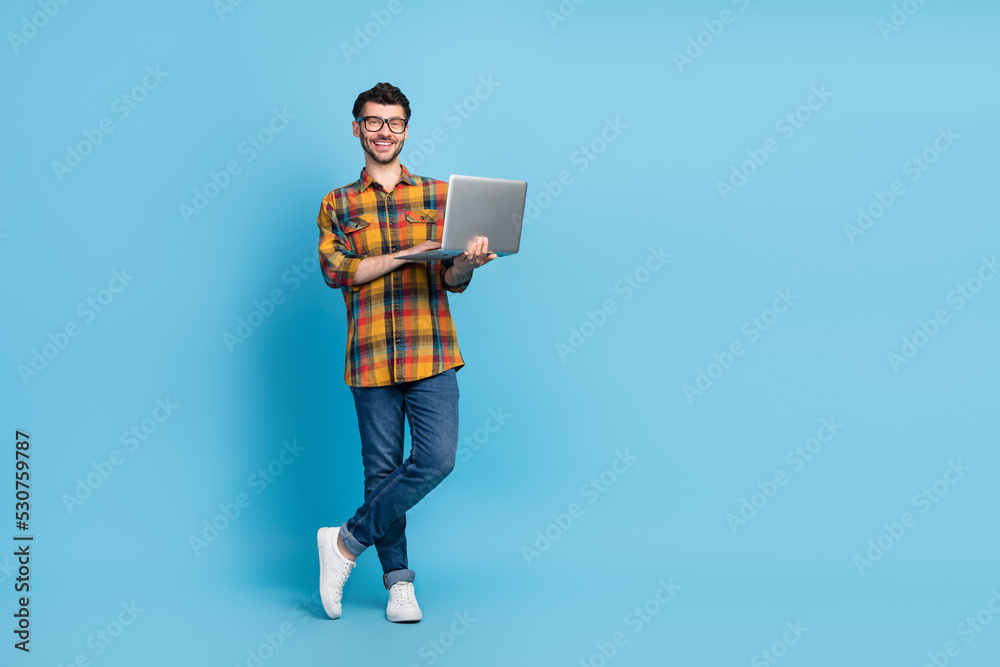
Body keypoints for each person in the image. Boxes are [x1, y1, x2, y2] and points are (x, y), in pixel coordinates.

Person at [314, 82, 495, 623]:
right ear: (357, 128)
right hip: (368, 353)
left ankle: (343, 542)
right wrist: (407, 252)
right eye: (373, 122)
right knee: (382, 469)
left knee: (437, 459)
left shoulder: (441, 197)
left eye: (394, 123)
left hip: (432, 348)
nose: (384, 132)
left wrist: (467, 263)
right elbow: (337, 271)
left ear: (407, 129)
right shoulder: (337, 203)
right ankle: (399, 584)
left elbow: (450, 276)